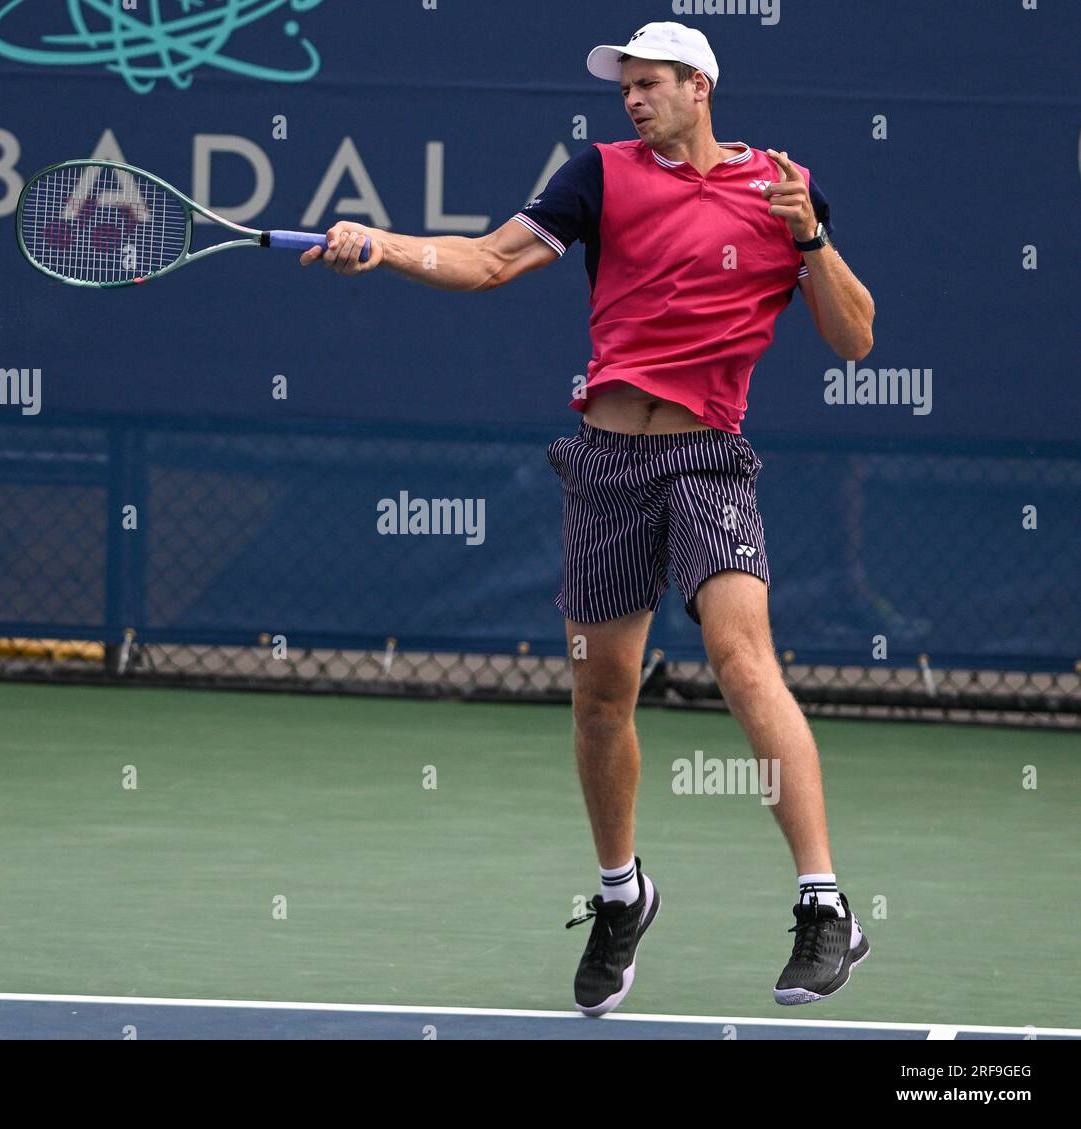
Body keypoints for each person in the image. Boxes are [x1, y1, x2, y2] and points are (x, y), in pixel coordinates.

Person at [302, 21, 876, 1016]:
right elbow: (486, 263)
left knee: (743, 658)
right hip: (607, 461)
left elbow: (855, 338)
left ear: (700, 87)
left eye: (650, 85)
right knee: (601, 697)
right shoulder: (600, 176)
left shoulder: (781, 185)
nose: (633, 100)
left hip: (707, 456)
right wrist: (380, 243)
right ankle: (622, 895)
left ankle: (824, 906)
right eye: (624, 89)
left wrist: (809, 237)